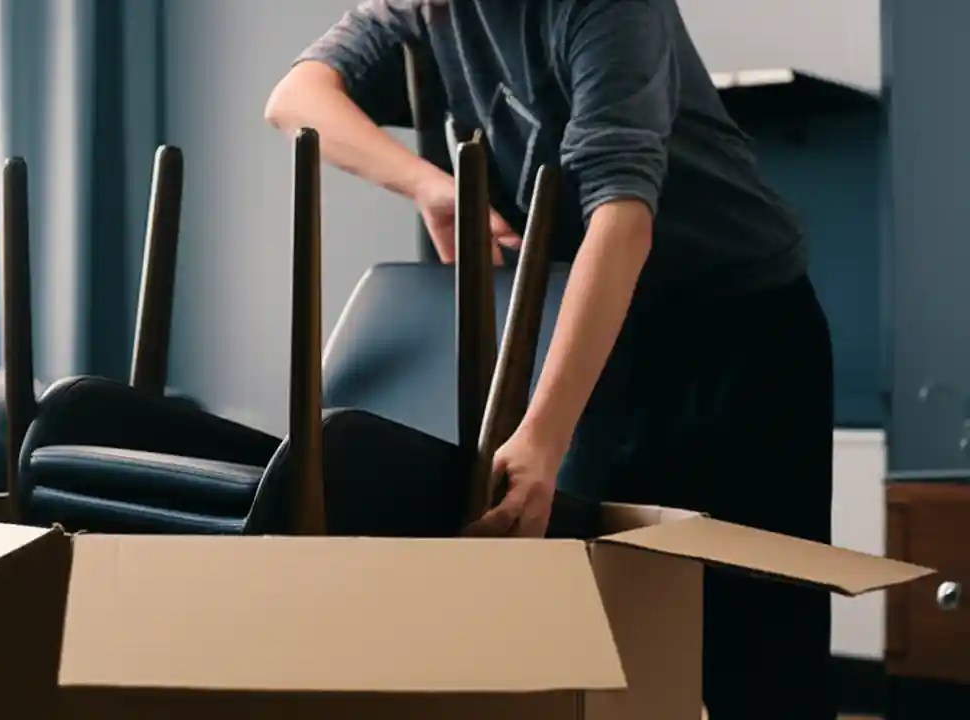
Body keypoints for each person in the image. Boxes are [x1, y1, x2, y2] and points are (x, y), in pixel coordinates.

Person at [265, 1, 834, 717]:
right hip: (592, 322)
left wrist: (543, 436)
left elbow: (622, 217)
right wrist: (432, 188)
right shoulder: (425, 8)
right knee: (600, 631)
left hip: (734, 325)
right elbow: (296, 98)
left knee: (759, 650)